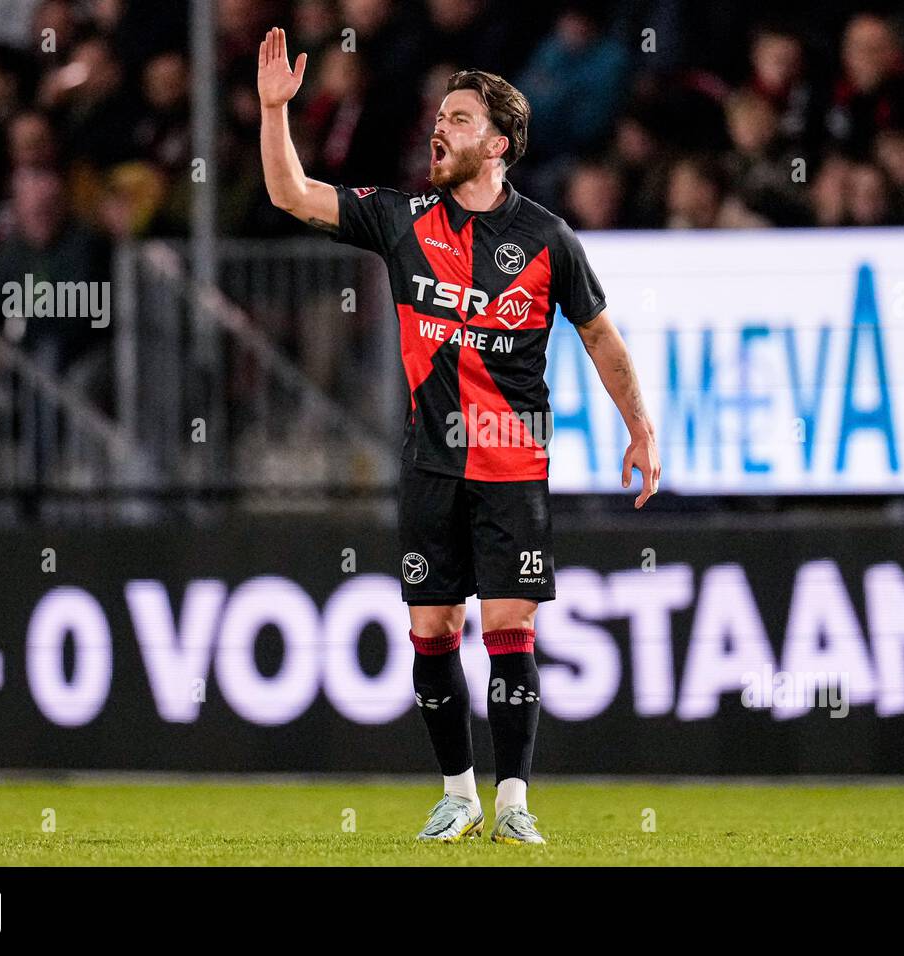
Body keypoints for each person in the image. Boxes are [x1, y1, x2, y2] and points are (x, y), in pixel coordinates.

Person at [257, 27, 660, 845]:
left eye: (461, 118)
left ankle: (513, 805)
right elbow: (293, 194)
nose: (440, 128)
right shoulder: (401, 219)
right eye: (439, 116)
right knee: (434, 629)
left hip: (514, 465)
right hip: (430, 463)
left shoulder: (548, 239)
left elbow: (601, 339)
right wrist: (275, 114)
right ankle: (457, 794)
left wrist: (641, 429)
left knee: (510, 627)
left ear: (501, 142)